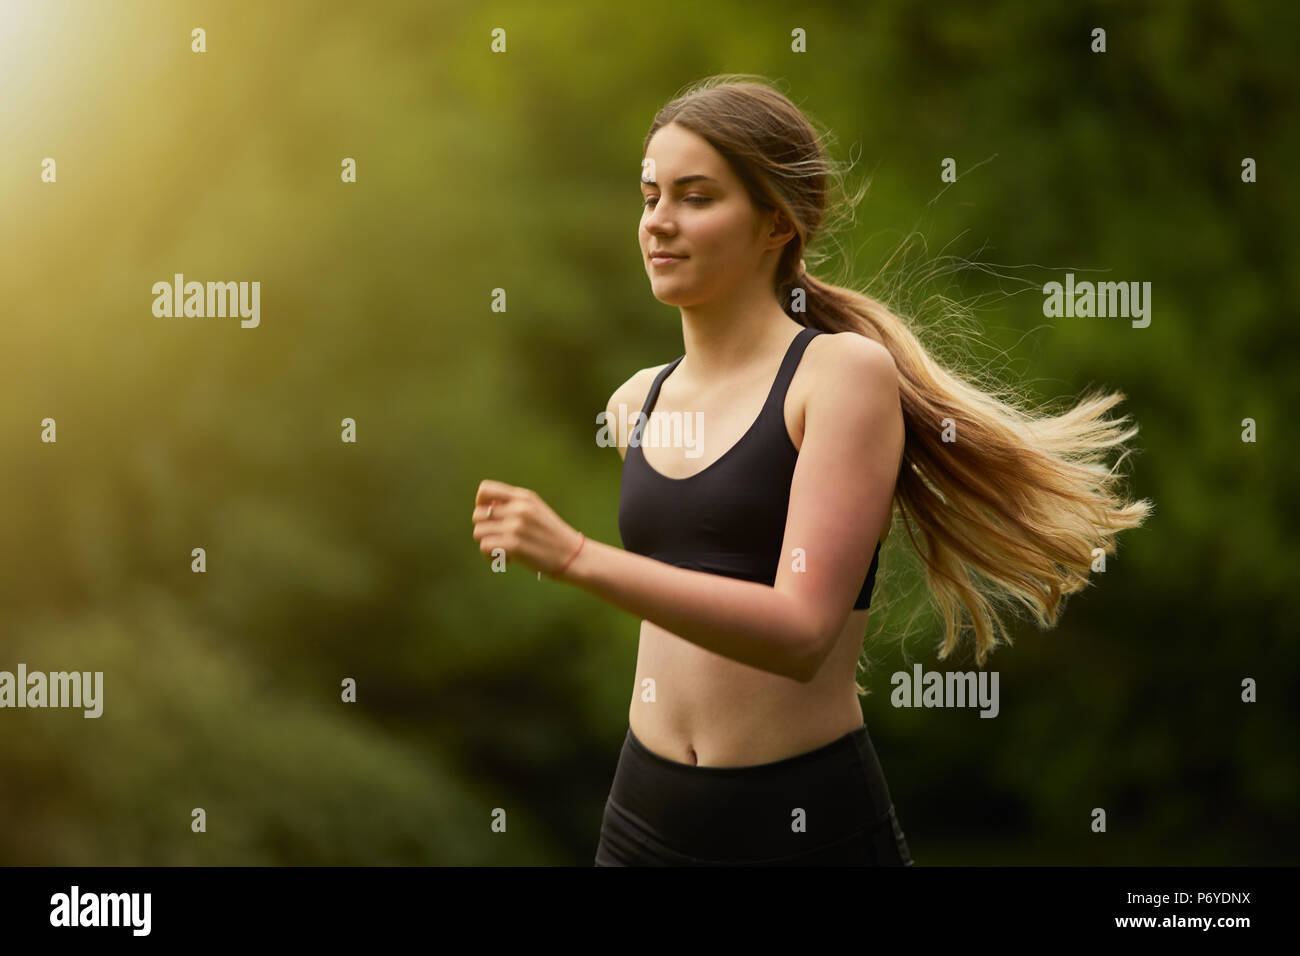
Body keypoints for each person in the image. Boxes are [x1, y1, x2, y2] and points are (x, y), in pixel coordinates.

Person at [471, 75, 1151, 866]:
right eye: (651, 195)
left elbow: (800, 633)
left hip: (800, 825)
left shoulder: (839, 377)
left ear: (774, 223)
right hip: (643, 818)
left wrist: (578, 558)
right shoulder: (637, 404)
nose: (659, 222)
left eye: (696, 197)